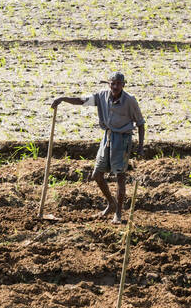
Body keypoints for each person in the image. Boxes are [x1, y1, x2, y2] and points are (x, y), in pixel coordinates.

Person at [52, 72, 145, 224]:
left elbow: (140, 123)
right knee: (97, 175)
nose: (115, 87)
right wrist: (62, 99)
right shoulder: (102, 96)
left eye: (118, 84)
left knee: (120, 177)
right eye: (112, 83)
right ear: (109, 84)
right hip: (107, 138)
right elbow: (82, 100)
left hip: (122, 140)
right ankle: (111, 203)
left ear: (123, 85)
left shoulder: (130, 101)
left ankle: (118, 213)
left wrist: (141, 147)